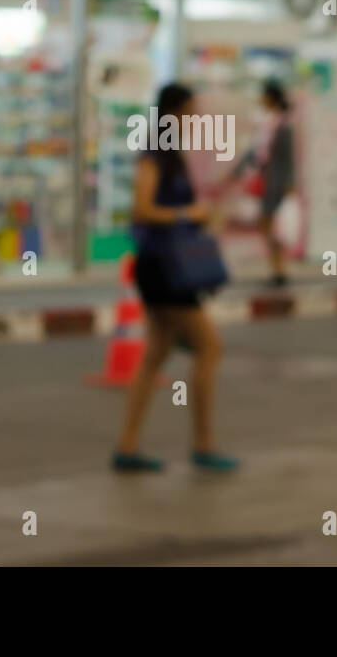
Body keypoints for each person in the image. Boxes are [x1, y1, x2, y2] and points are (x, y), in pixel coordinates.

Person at [112, 83, 238, 474]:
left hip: (164, 264)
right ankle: (202, 444)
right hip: (162, 266)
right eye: (191, 110)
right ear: (175, 111)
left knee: (156, 354)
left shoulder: (170, 152)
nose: (195, 117)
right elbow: (142, 209)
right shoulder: (155, 152)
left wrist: (199, 210)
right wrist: (189, 216)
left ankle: (128, 445)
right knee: (209, 347)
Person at [233, 79, 296, 288]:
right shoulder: (268, 123)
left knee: (269, 225)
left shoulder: (282, 125)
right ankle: (277, 268)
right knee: (267, 225)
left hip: (275, 183)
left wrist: (289, 182)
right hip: (266, 181)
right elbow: (255, 153)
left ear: (270, 97)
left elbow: (287, 158)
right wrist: (237, 171)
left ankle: (280, 269)